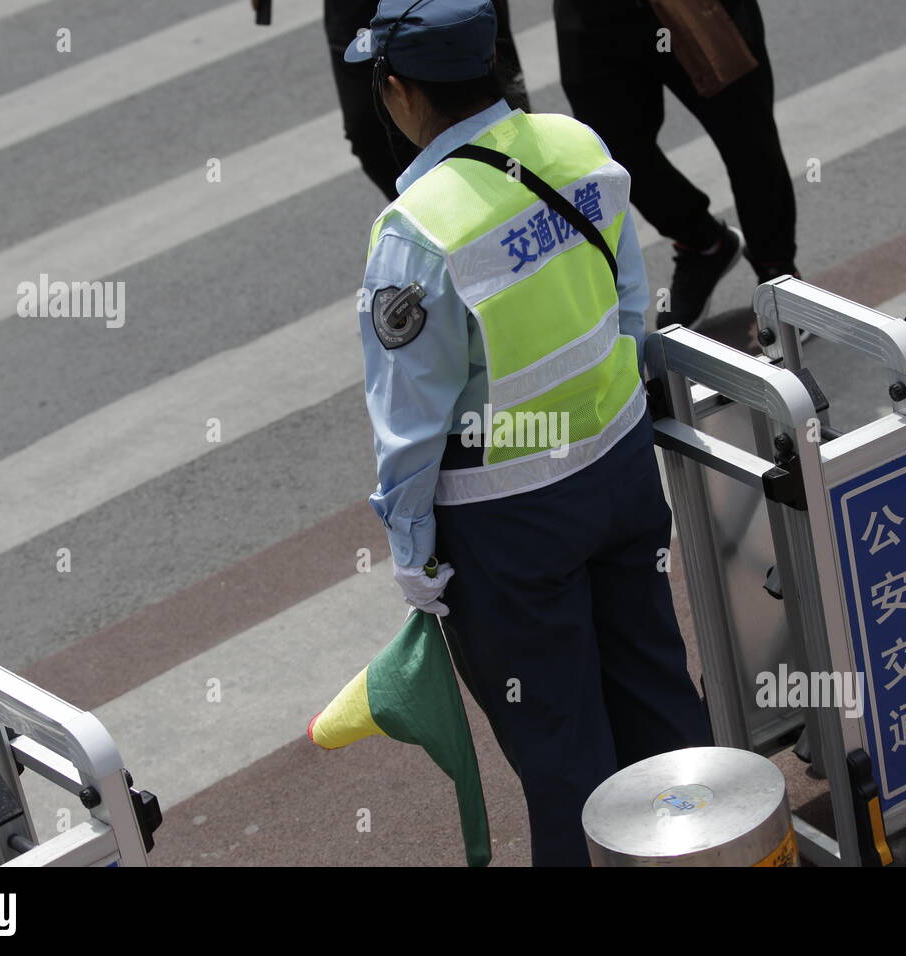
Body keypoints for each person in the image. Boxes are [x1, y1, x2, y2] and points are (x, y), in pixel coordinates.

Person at [347, 0, 713, 866]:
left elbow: (411, 423)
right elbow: (631, 308)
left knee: (562, 747)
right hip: (620, 472)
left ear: (400, 93)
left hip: (508, 520)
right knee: (659, 696)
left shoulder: (417, 230)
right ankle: (715, 849)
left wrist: (412, 552)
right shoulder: (576, 146)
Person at [553, 0, 799, 326]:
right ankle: (703, 243)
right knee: (610, 149)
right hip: (591, 13)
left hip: (697, 7)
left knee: (746, 135)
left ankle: (777, 271)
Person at [325, 0, 530, 201]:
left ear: (399, 93)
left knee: (485, 95)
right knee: (367, 132)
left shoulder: (398, 233)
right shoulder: (561, 130)